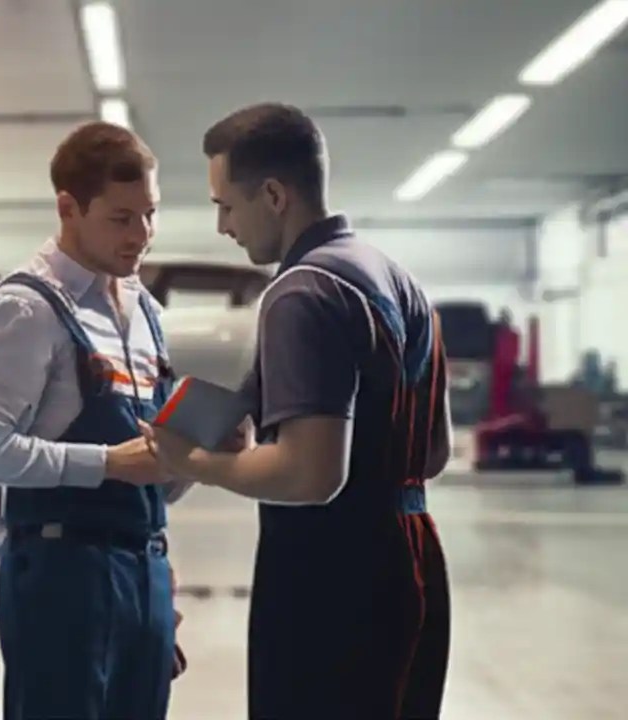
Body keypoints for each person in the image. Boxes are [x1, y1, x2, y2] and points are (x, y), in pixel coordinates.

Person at [138, 103, 453, 719]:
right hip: (414, 564)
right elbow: (432, 453)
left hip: (332, 578)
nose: (223, 226)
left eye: (226, 206)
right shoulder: (399, 280)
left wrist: (194, 461)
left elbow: (311, 475)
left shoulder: (301, 292)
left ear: (274, 196)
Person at [0, 121, 184, 720]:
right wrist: (107, 463)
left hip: (145, 568)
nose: (142, 235)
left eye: (150, 214)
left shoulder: (145, 310)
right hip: (63, 577)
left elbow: (153, 478)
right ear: (68, 208)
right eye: (121, 218)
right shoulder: (26, 309)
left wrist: (196, 457)